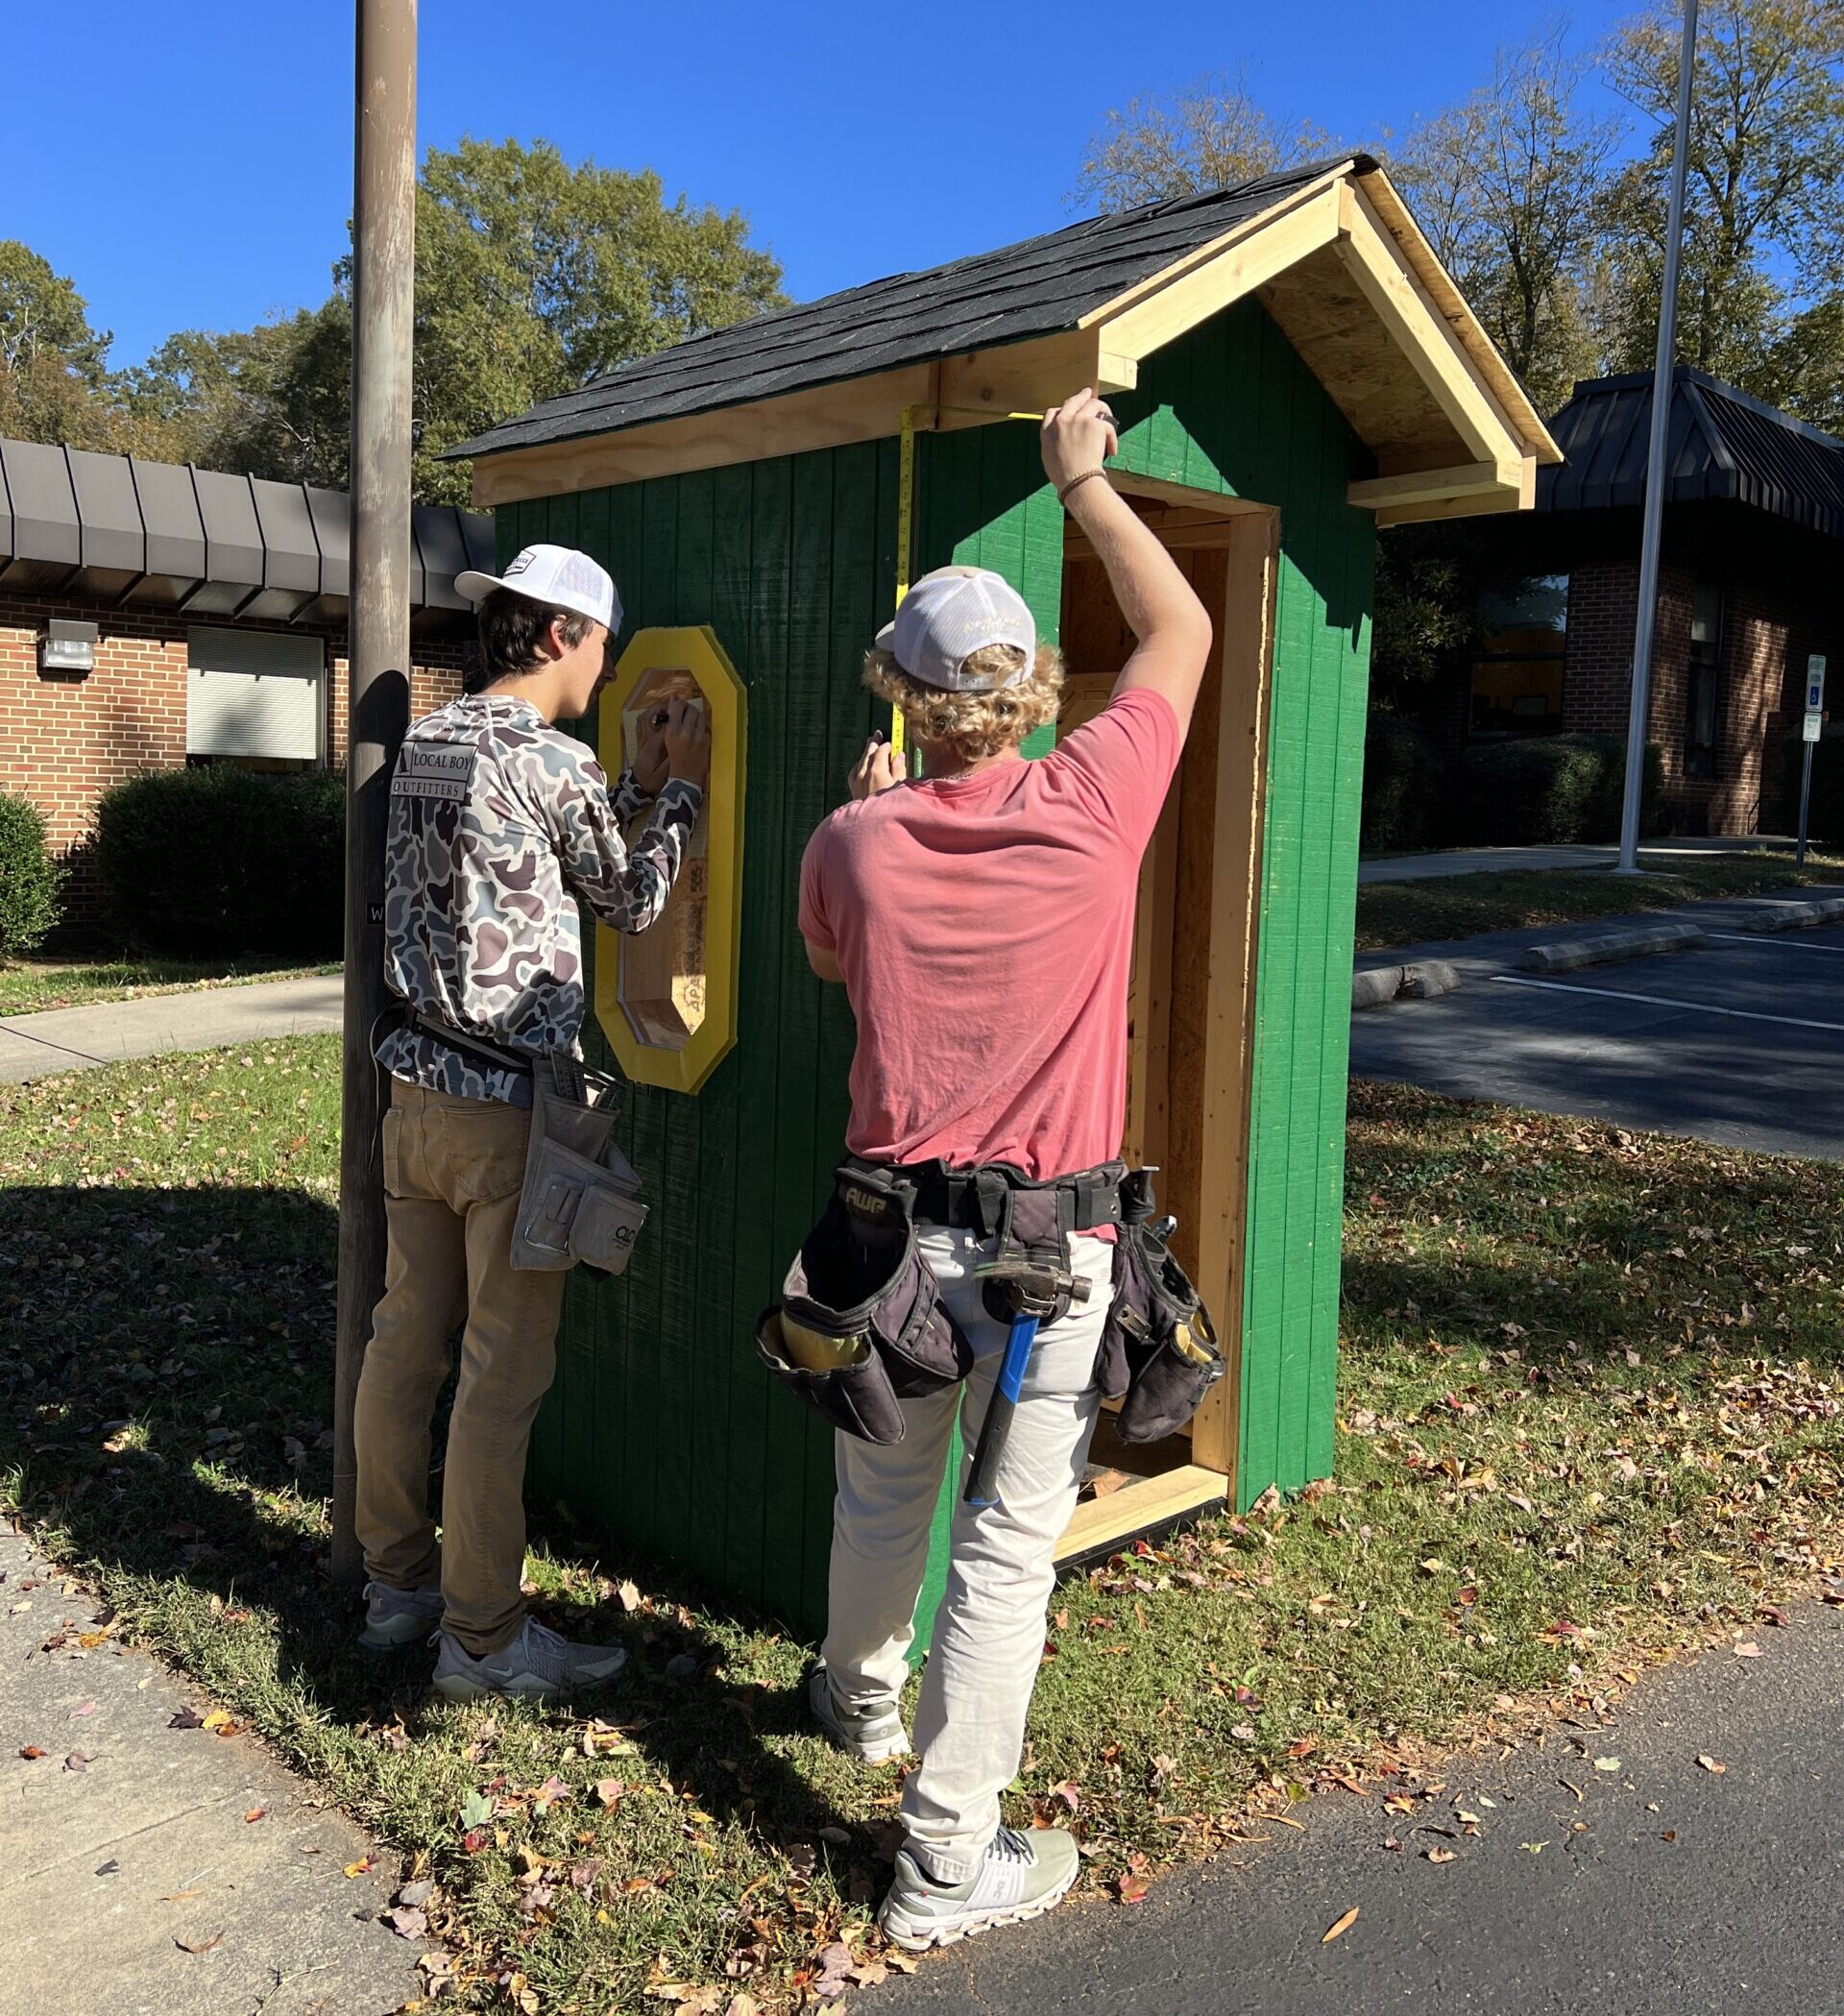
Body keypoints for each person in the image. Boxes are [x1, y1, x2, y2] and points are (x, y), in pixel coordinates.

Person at [795, 391, 1213, 1948]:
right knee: (1004, 1546)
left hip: (882, 1238)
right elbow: (1177, 628)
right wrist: (1083, 482)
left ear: (900, 697)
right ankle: (939, 1863)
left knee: (878, 1490)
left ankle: (852, 1699)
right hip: (1052, 1248)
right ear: (1034, 691)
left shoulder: (851, 838)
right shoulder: (1099, 802)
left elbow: (837, 963)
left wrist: (878, 804)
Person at [352, 542, 710, 1702]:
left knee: (404, 1346)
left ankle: (397, 1585)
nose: (608, 674)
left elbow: (535, 853)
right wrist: (683, 788)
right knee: (499, 1378)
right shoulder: (552, 760)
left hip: (414, 1098)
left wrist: (636, 787)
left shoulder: (429, 743)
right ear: (563, 634)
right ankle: (486, 1638)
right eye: (605, 646)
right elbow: (634, 894)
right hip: (510, 1116)